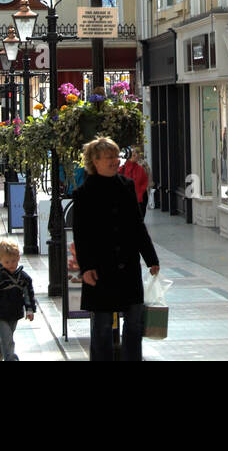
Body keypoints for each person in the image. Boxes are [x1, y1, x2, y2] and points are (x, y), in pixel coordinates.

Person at [72, 136, 160, 361]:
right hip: (100, 268)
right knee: (102, 326)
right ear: (95, 161)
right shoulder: (84, 193)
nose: (114, 161)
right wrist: (86, 267)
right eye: (108, 157)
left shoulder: (126, 186)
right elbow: (81, 235)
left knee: (134, 322)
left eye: (115, 156)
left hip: (128, 265)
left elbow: (137, 225)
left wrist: (151, 258)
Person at [0, 239, 36, 361]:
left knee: (4, 341)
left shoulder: (24, 278)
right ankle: (11, 359)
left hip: (14, 314)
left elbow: (28, 295)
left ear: (18, 258)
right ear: (0, 260)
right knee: (7, 339)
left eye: (14, 261)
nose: (11, 264)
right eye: (7, 262)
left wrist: (30, 309)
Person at [120, 147, 151, 220]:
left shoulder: (140, 168)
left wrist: (141, 191)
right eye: (133, 155)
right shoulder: (122, 168)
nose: (136, 156)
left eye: (137, 154)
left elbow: (145, 180)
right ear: (128, 157)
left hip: (139, 198)